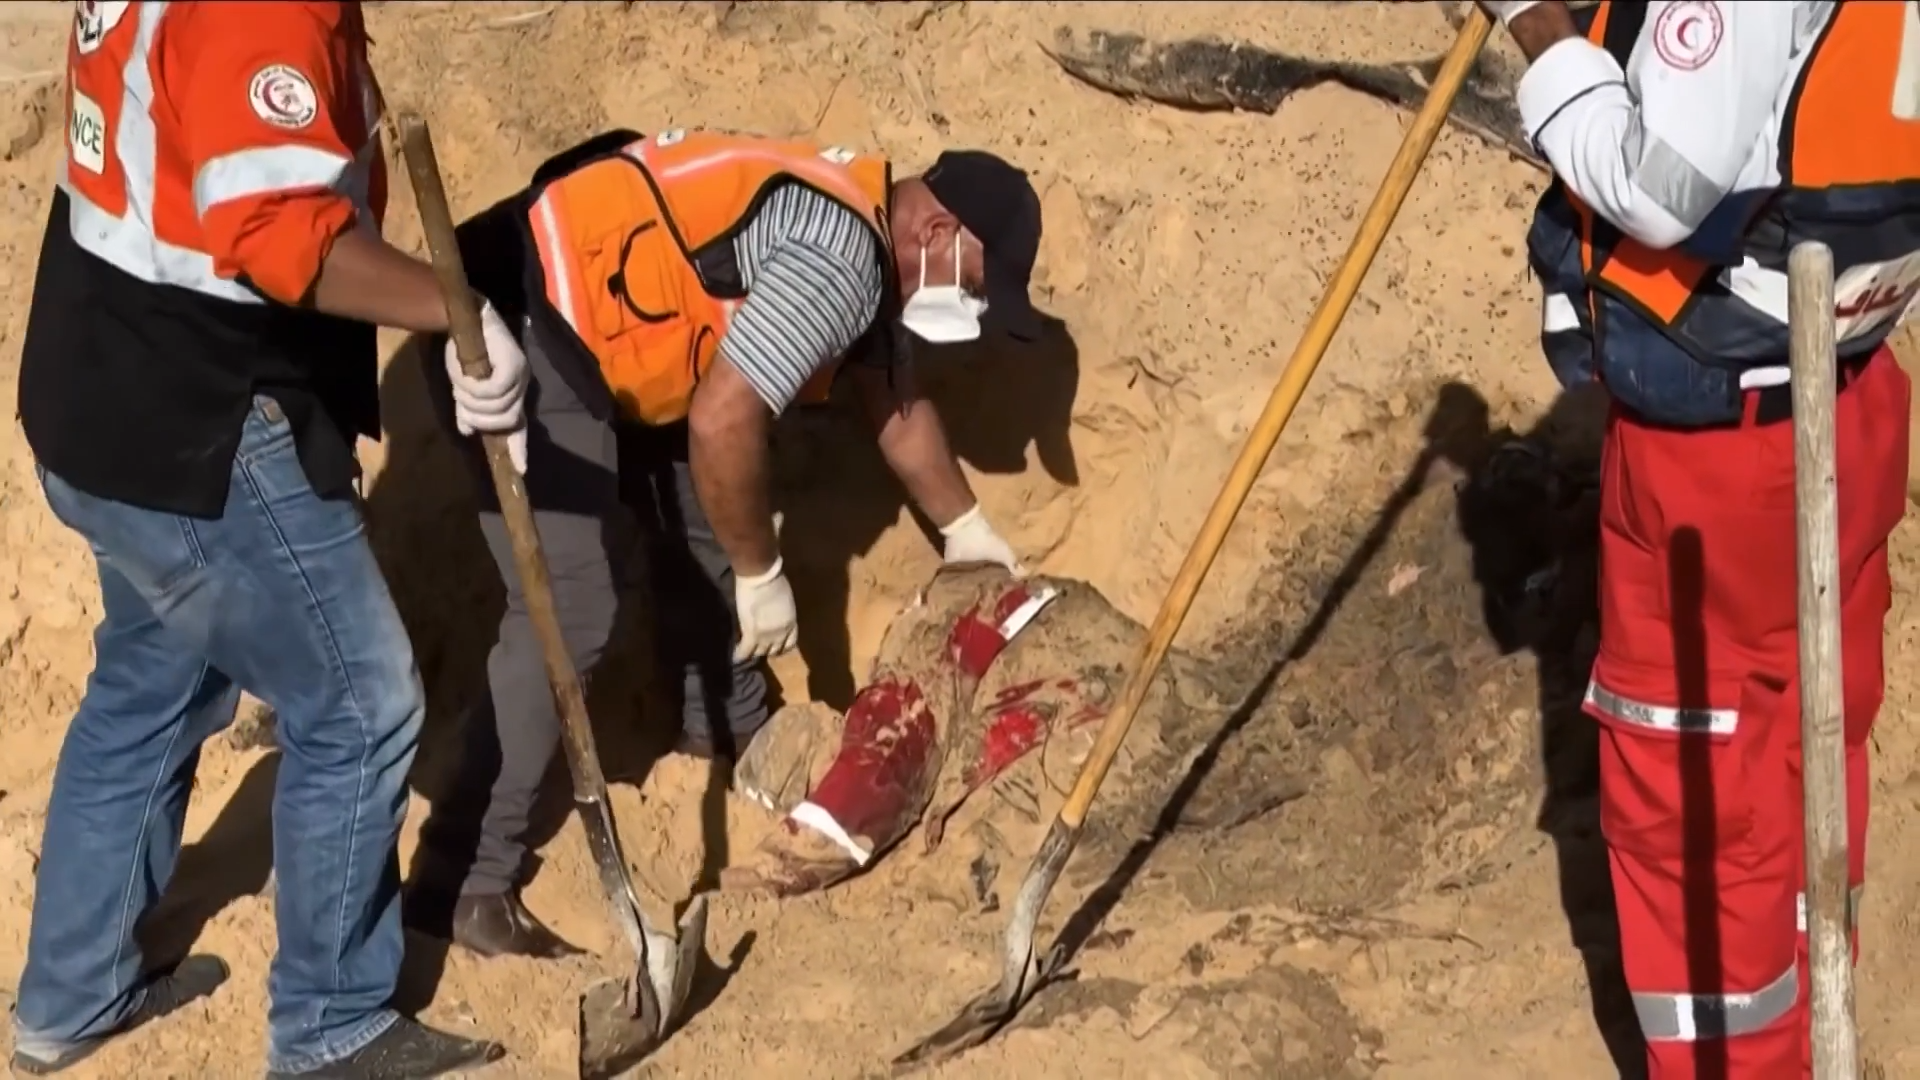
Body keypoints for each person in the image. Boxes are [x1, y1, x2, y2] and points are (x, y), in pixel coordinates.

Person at [13, 2, 531, 1076]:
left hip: (91, 382)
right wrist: (459, 308)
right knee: (360, 699)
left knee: (156, 671)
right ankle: (332, 1025)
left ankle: (70, 993)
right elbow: (278, 239)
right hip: (197, 414)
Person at [406, 127, 1041, 958]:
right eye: (978, 287)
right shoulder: (844, 260)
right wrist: (762, 571)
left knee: (702, 511)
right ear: (937, 233)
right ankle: (463, 878)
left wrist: (971, 537)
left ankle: (727, 733)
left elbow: (896, 401)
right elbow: (722, 416)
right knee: (570, 602)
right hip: (506, 321)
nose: (975, 309)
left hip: (597, 330)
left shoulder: (862, 220)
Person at [1474, 0, 1915, 1074]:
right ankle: (1816, 1028)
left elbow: (1662, 184)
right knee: (1803, 746)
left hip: (1727, 456)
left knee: (1694, 800)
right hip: (1844, 396)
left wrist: (1535, 25)